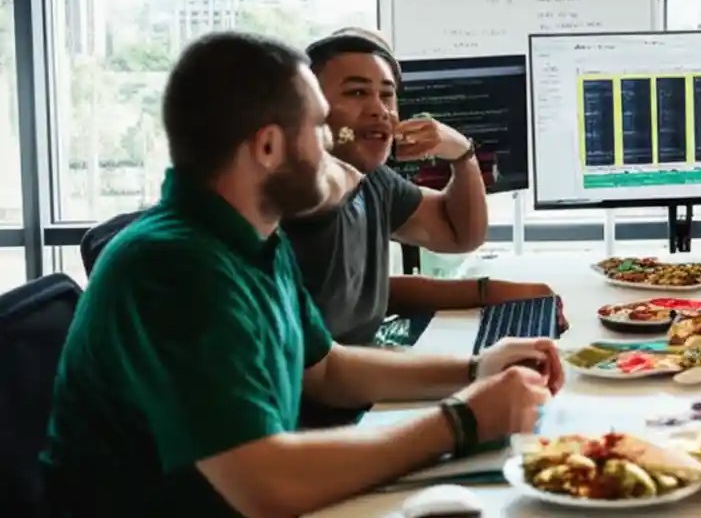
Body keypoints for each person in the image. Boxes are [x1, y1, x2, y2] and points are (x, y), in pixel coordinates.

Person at [42, 32, 563, 517]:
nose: (332, 144)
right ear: (268, 148)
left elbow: (328, 369)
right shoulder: (175, 266)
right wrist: (465, 418)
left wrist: (476, 370)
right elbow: (265, 483)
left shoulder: (254, 235)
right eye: (317, 127)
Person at [284, 27, 563, 353]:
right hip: (336, 388)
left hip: (361, 374)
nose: (380, 110)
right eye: (357, 93)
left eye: (386, 95)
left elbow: (459, 234)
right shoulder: (301, 200)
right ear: (310, 108)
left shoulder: (372, 180)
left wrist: (461, 153)